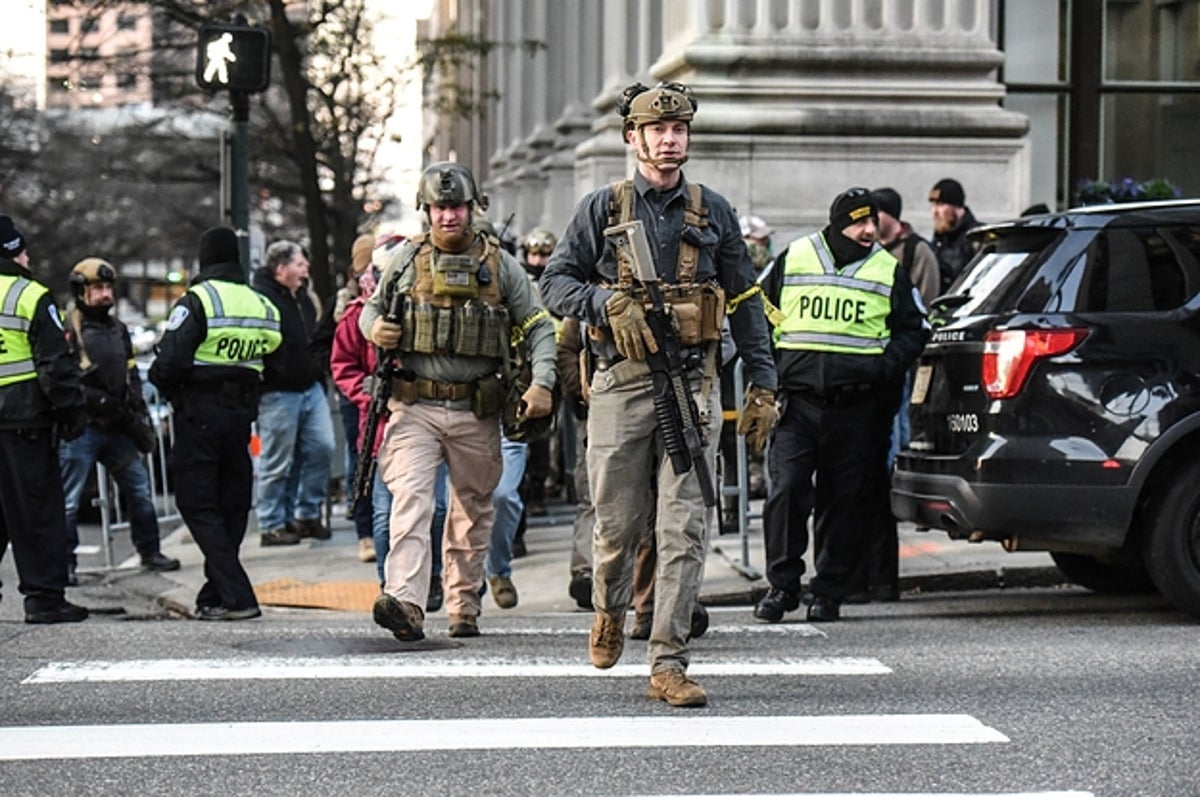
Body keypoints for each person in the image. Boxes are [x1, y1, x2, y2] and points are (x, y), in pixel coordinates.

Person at [539, 81, 778, 708]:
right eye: (657, 130)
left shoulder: (713, 211)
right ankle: (609, 607)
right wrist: (602, 300)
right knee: (617, 526)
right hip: (621, 382)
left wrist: (763, 381)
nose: (669, 140)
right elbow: (553, 282)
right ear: (633, 137)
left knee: (685, 527)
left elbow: (747, 301)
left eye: (678, 130)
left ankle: (668, 661)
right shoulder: (603, 207)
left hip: (693, 384)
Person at [360, 161, 556, 641]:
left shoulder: (500, 265)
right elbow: (371, 309)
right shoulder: (406, 261)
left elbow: (537, 324)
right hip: (415, 407)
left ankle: (463, 604)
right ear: (426, 210)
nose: (448, 216)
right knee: (411, 501)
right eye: (439, 207)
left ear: (472, 208)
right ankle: (405, 600)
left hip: (476, 408)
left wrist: (543, 382)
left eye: (456, 207)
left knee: (472, 509)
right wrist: (374, 328)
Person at [753, 188, 929, 625]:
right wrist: (772, 366)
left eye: (872, 220)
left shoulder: (887, 269)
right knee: (788, 489)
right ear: (837, 224)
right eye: (858, 221)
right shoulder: (795, 257)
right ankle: (782, 586)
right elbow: (756, 309)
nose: (869, 229)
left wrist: (883, 368)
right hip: (797, 403)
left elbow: (916, 328)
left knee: (842, 500)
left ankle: (828, 590)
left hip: (857, 408)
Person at [148, 226, 282, 620]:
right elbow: (279, 356)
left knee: (196, 502)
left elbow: (169, 361)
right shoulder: (262, 304)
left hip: (199, 414)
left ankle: (238, 595)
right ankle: (215, 593)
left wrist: (165, 384)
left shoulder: (198, 300)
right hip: (241, 415)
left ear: (204, 259)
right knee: (232, 504)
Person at [331, 237, 448, 612]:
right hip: (381, 427)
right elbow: (343, 365)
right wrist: (369, 393)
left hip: (426, 418)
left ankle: (429, 577)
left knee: (436, 509)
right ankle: (392, 588)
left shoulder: (432, 307)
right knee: (385, 513)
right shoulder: (358, 315)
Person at [59, 257, 181, 585]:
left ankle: (150, 551)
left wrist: (137, 413)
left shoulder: (118, 329)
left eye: (107, 287)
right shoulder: (67, 328)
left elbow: (130, 374)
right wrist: (94, 400)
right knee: (69, 500)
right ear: (81, 291)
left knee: (140, 492)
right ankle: (65, 565)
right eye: (97, 288)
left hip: (118, 426)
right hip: (84, 426)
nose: (104, 294)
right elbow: (61, 376)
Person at [0, 214, 90, 624]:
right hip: (23, 422)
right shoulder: (29, 295)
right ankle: (44, 598)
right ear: (13, 253)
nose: (28, 256)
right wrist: (71, 412)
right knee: (36, 512)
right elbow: (54, 365)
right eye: (22, 249)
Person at [251, 240, 336, 547]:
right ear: (281, 268)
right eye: (300, 264)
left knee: (321, 448)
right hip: (277, 391)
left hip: (310, 387)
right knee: (277, 461)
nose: (306, 270)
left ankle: (306, 513)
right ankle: (273, 523)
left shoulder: (304, 296)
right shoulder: (260, 298)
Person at [928, 178, 981, 291]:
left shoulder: (977, 237)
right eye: (933, 205)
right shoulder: (939, 239)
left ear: (956, 206)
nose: (935, 211)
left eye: (940, 204)